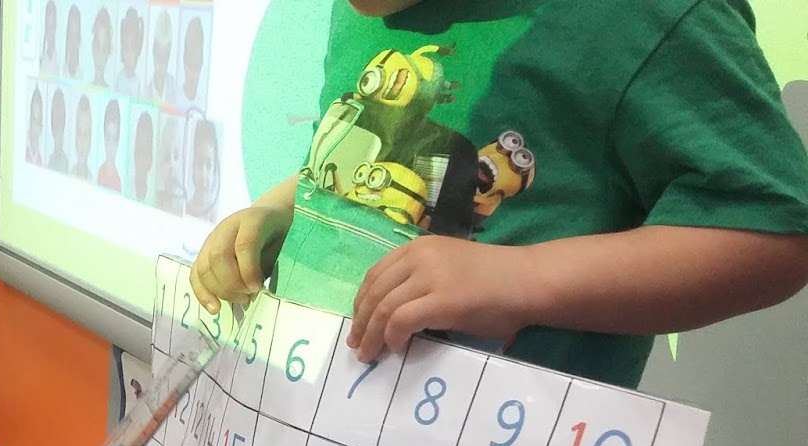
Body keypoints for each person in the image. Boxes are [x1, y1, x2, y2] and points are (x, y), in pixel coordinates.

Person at [189, 0, 808, 389]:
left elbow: (773, 231)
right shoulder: (366, 8)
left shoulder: (644, 15)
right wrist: (278, 212)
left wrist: (522, 280)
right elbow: (368, 147)